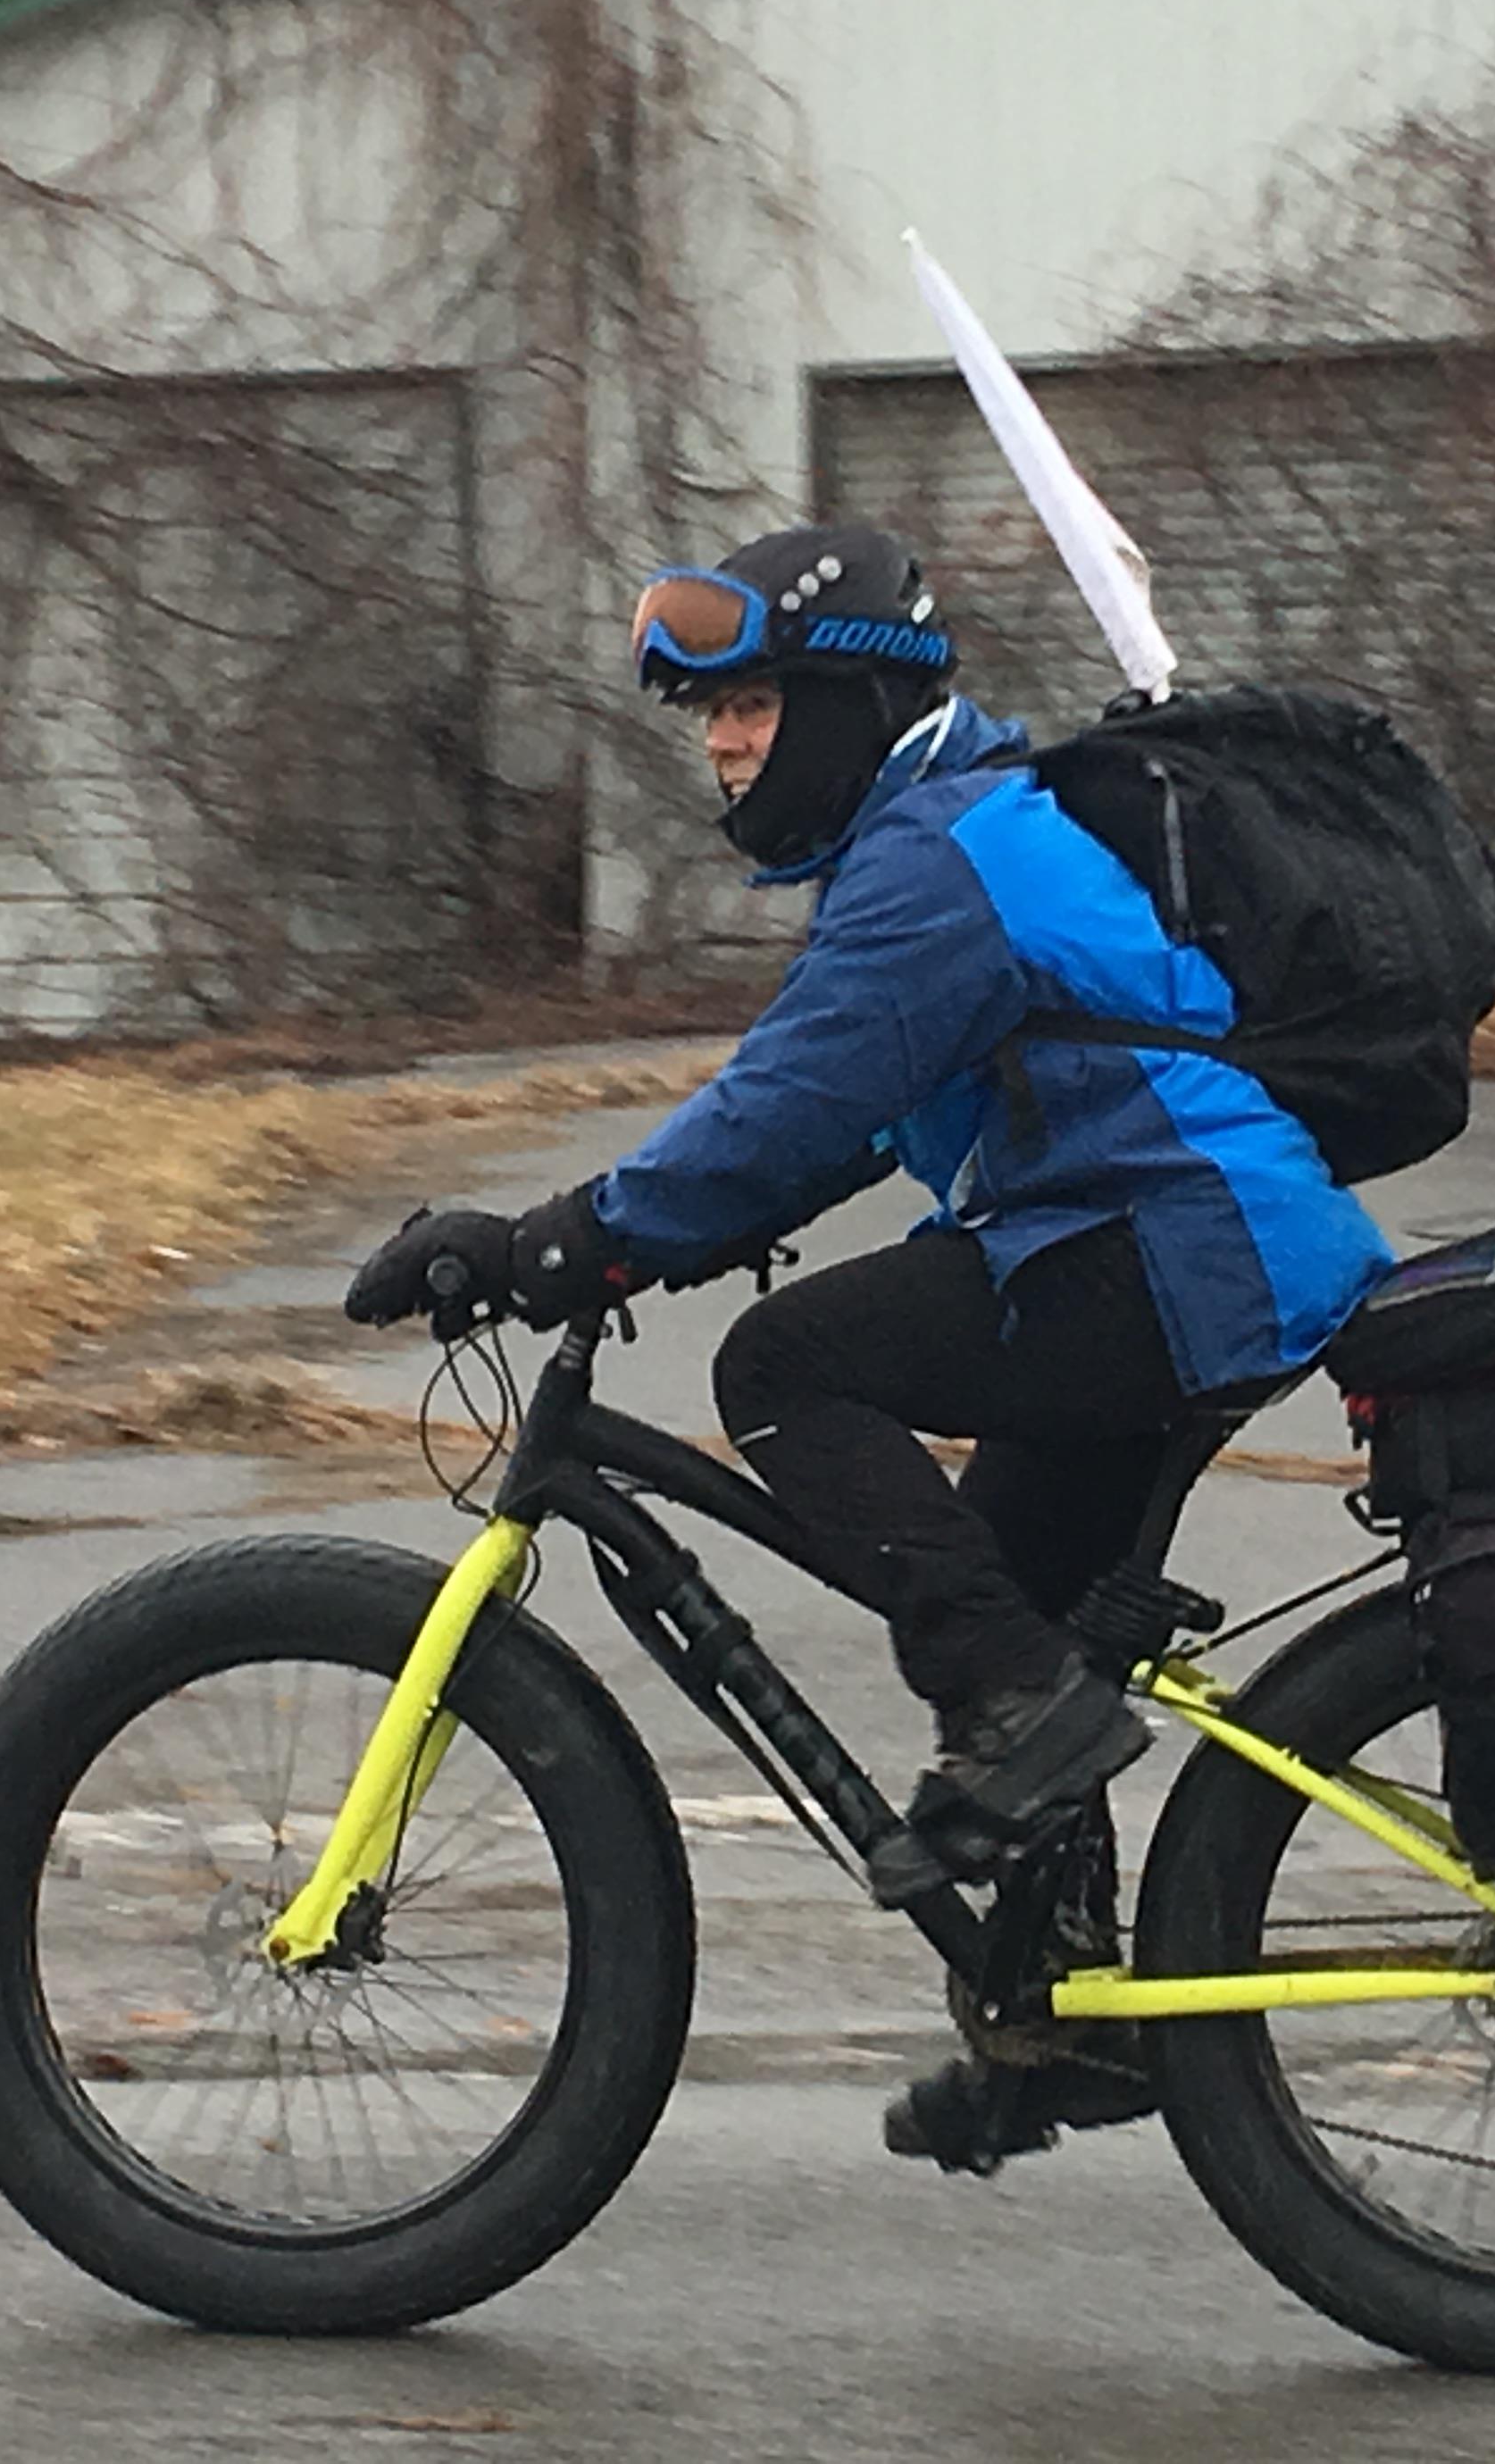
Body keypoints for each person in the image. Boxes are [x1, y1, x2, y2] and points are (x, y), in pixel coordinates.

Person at [344, 522, 1394, 2165]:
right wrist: (661, 1232)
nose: (725, 742)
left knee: (788, 1376)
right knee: (1020, 1604)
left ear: (843, 698)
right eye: (708, 715)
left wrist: (566, 1239)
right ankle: (1061, 2019)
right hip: (1175, 1249)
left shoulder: (936, 861)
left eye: (750, 702)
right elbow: (856, 1111)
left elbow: (782, 1103)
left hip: (1173, 1254)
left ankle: (1030, 1727)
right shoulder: (947, 835)